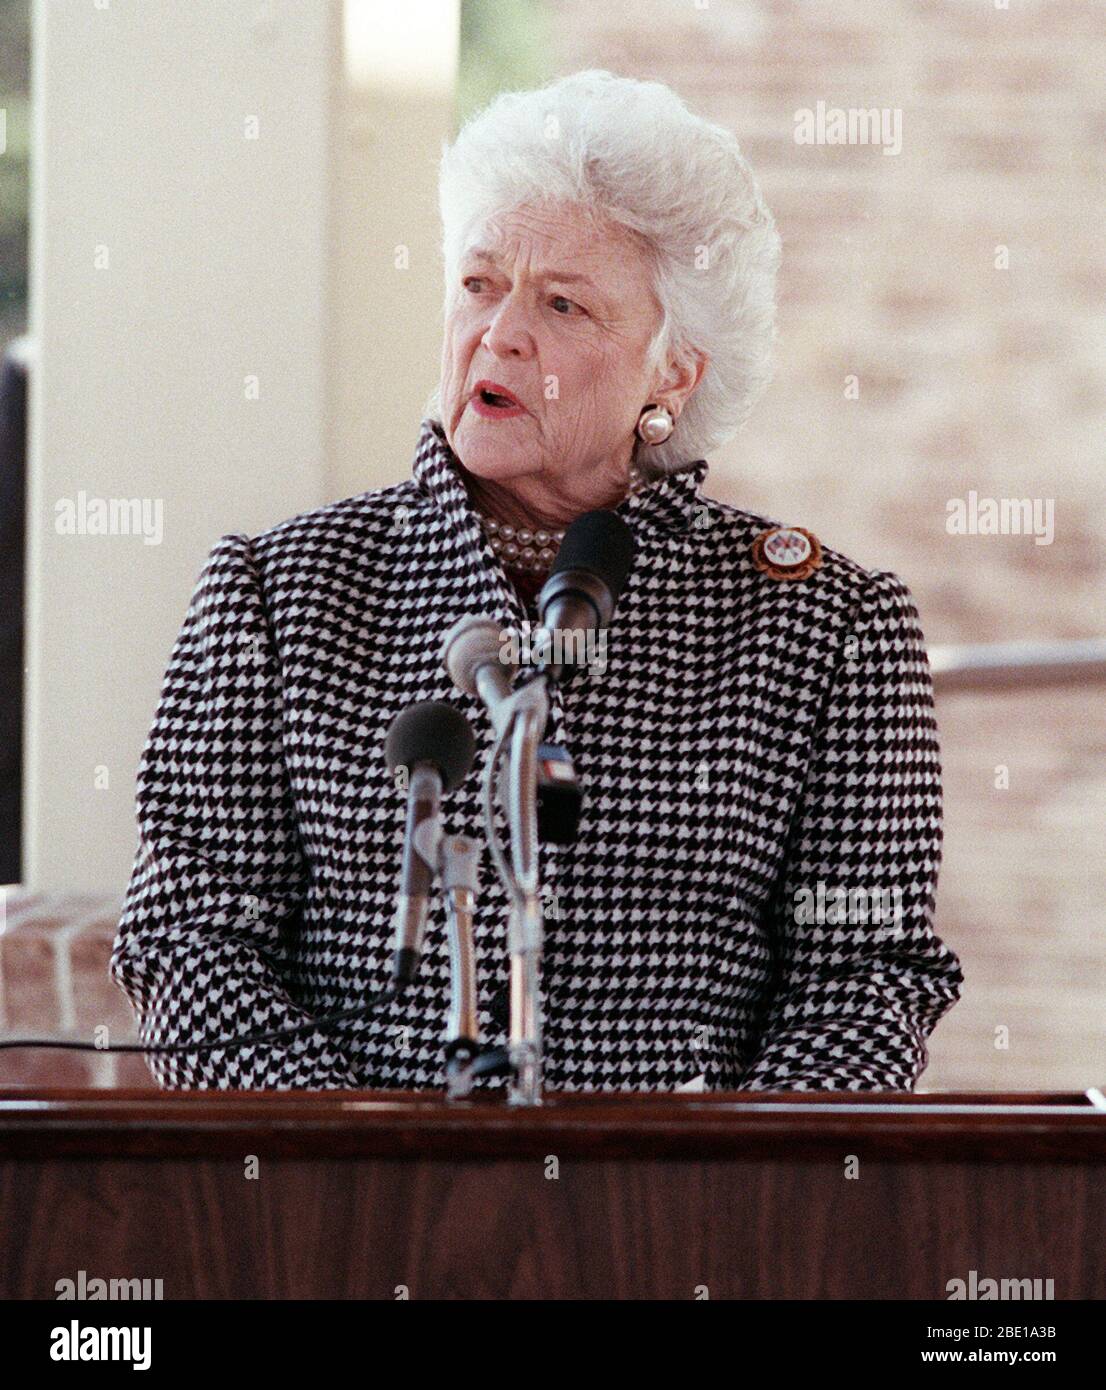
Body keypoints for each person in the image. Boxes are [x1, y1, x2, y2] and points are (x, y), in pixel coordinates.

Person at [111, 70, 962, 1091]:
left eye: (561, 303)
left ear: (671, 370)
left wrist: (723, 1200)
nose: (500, 331)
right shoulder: (279, 591)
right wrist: (348, 1170)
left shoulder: (826, 627)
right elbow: (188, 938)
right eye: (479, 284)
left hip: (680, 1231)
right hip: (340, 1223)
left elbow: (863, 979)